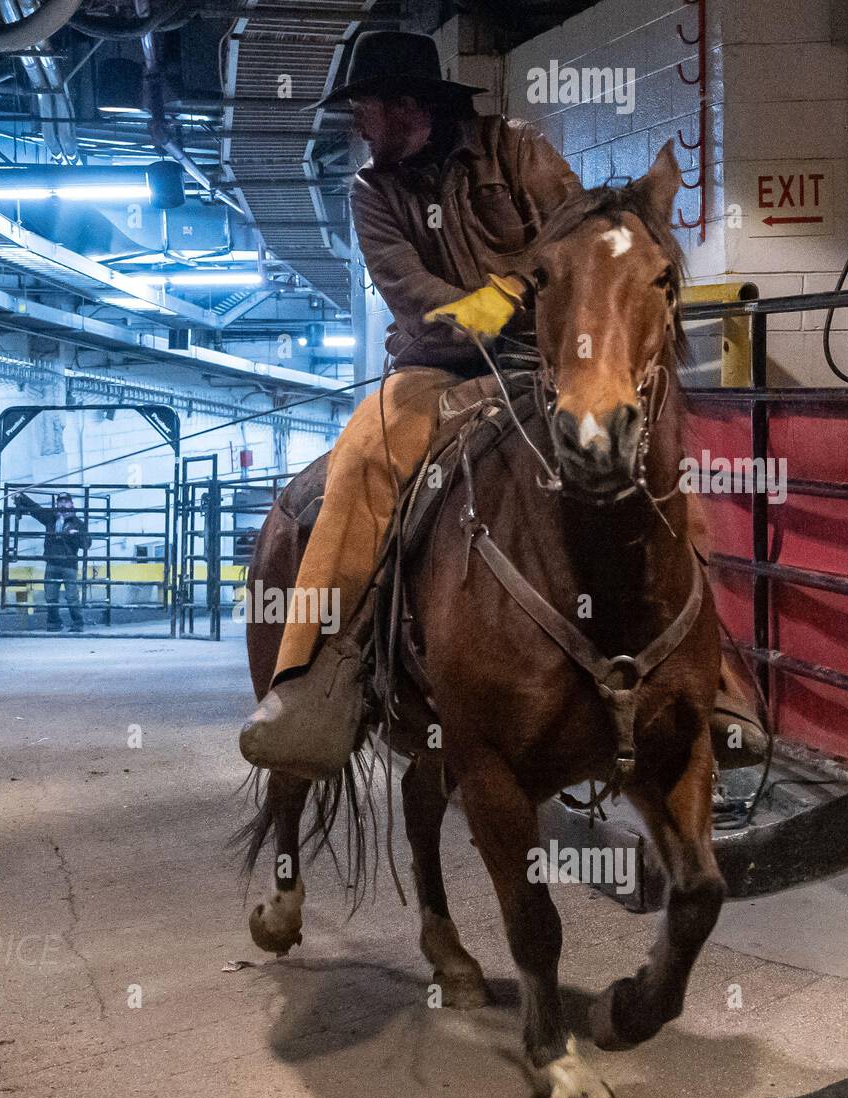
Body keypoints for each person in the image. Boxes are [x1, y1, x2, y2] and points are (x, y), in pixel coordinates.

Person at [239, 30, 764, 780]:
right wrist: (501, 298)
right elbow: (411, 296)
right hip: (435, 371)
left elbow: (583, 237)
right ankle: (314, 676)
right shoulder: (371, 191)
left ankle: (713, 680)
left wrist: (542, 301)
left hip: (543, 361)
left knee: (656, 468)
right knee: (362, 458)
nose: (358, 125)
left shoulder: (516, 151)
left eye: (366, 108)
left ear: (408, 107)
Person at [15, 490, 88, 632]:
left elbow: (86, 543)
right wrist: (22, 497)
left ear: (71, 504)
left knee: (71, 596)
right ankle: (54, 623)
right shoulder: (51, 518)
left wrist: (75, 536)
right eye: (60, 501)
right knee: (50, 596)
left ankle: (78, 623)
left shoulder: (78, 524)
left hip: (68, 564)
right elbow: (36, 509)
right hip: (53, 563)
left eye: (66, 501)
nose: (63, 504)